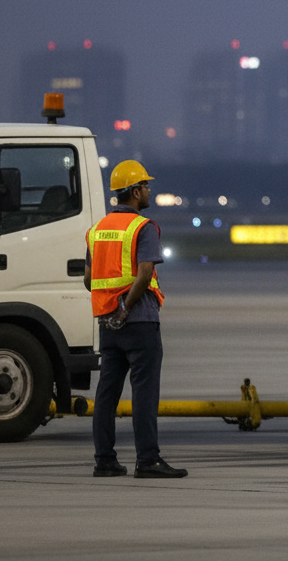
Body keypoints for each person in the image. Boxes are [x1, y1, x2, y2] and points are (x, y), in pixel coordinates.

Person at [84, 160, 187, 478]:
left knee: (106, 394)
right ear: (135, 191)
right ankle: (148, 460)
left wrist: (113, 309)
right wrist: (126, 307)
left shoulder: (96, 230)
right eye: (145, 185)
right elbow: (144, 274)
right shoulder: (144, 227)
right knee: (144, 392)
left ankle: (104, 460)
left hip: (108, 324)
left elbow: (89, 279)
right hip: (139, 321)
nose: (149, 190)